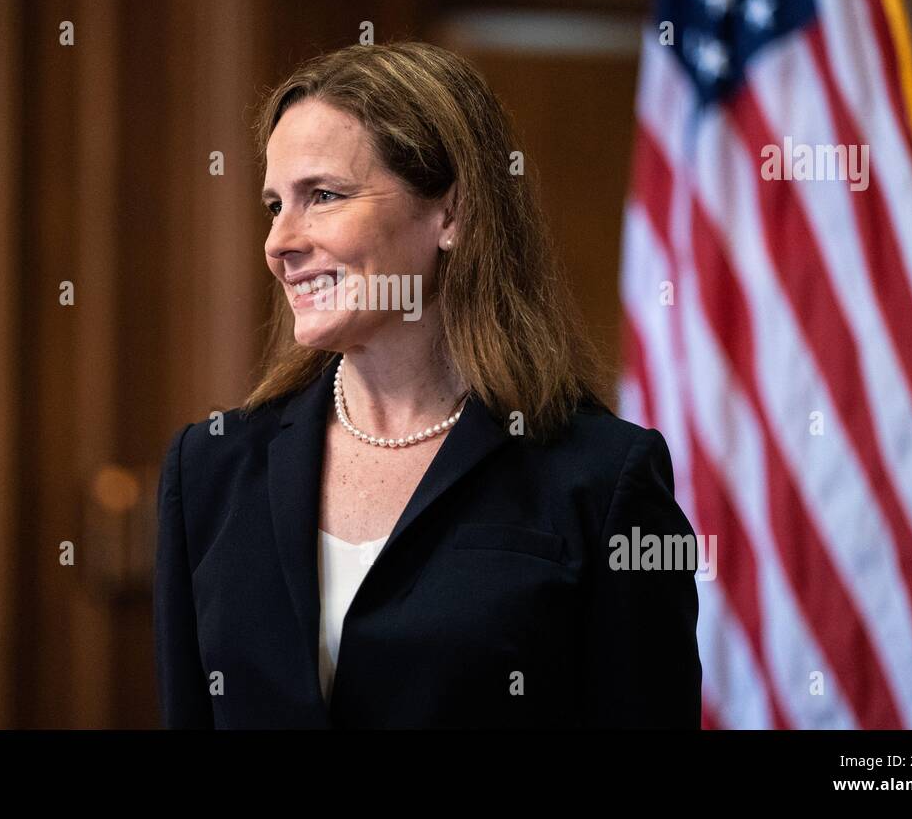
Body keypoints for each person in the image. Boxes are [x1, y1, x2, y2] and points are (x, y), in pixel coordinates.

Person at [154, 41, 701, 728]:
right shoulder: (209, 468)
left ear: (452, 214)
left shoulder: (600, 479)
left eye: (322, 196)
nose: (279, 242)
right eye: (274, 205)